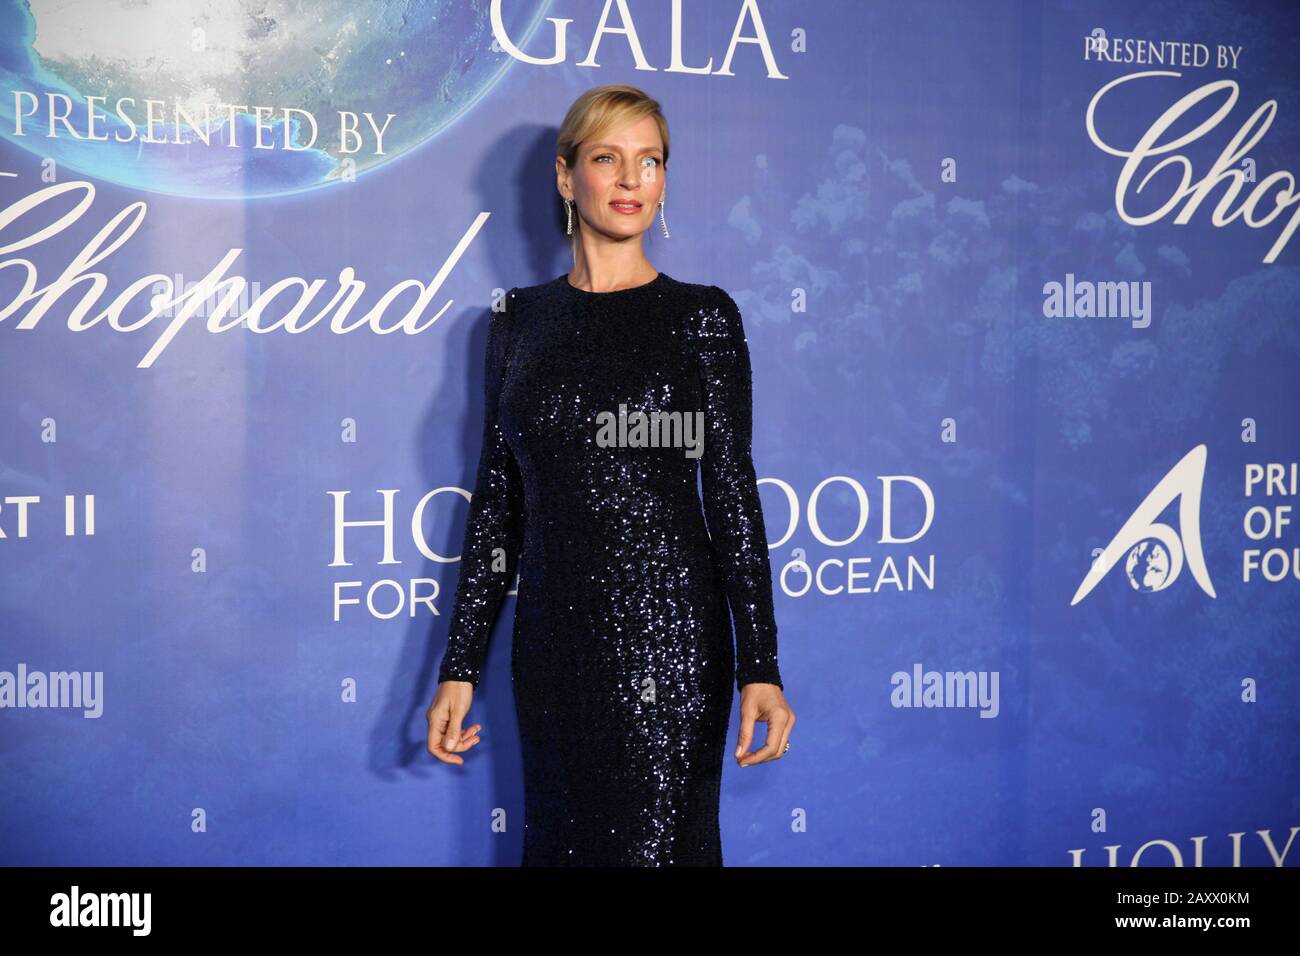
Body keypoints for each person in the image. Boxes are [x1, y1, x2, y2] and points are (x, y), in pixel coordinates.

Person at [426, 84, 794, 866]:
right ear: (566, 178)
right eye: (607, 159)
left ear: (664, 180)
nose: (630, 181)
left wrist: (760, 663)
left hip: (670, 638)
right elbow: (498, 503)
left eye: (649, 162)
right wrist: (460, 664)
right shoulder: (515, 321)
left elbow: (730, 494)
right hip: (553, 645)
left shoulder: (702, 316)